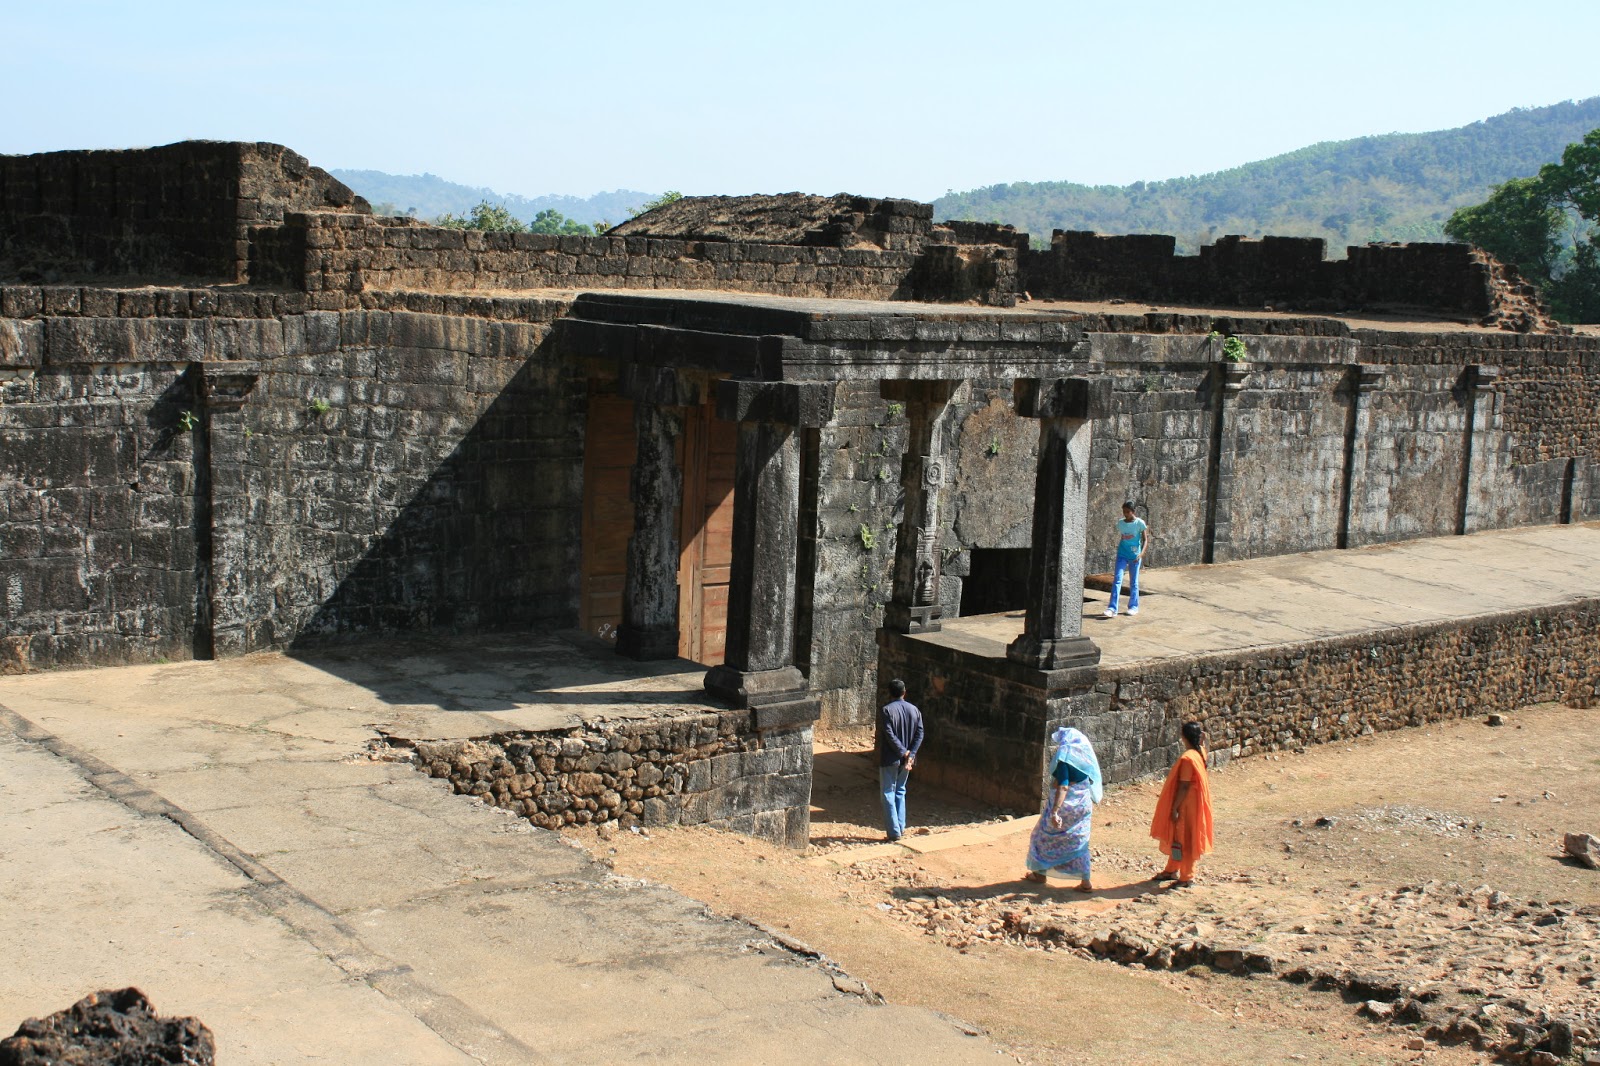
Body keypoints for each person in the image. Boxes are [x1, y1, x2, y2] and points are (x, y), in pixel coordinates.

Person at [1022, 727, 1103, 891]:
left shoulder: (1065, 760)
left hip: (1065, 806)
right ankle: (1085, 882)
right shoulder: (1084, 760)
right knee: (1079, 842)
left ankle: (1040, 874)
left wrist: (1055, 811)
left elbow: (1063, 786)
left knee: (1042, 838)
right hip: (1082, 806)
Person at [1149, 721, 1215, 888]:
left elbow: (1184, 785)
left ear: (1183, 736)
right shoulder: (1200, 752)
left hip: (1187, 804)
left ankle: (1186, 876)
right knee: (1179, 836)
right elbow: (1203, 746)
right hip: (1194, 802)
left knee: (1185, 837)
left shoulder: (1188, 758)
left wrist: (1175, 807)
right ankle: (1172, 869)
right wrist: (1202, 741)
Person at [876, 678, 923, 842]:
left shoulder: (887, 710)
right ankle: (900, 827)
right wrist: (911, 754)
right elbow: (919, 734)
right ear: (904, 692)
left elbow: (889, 735)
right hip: (907, 760)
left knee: (888, 792)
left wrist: (903, 753)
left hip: (891, 758)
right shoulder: (915, 710)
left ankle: (894, 832)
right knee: (901, 790)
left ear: (890, 693)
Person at [1104, 501, 1150, 617]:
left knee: (1134, 582)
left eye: (1128, 512)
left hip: (1134, 556)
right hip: (1122, 554)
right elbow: (1123, 537)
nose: (1125, 514)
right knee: (1117, 580)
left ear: (1133, 512)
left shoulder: (1140, 523)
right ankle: (1112, 608)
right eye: (1124, 512)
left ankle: (1133, 606)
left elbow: (1145, 539)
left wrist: (1141, 554)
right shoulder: (1121, 523)